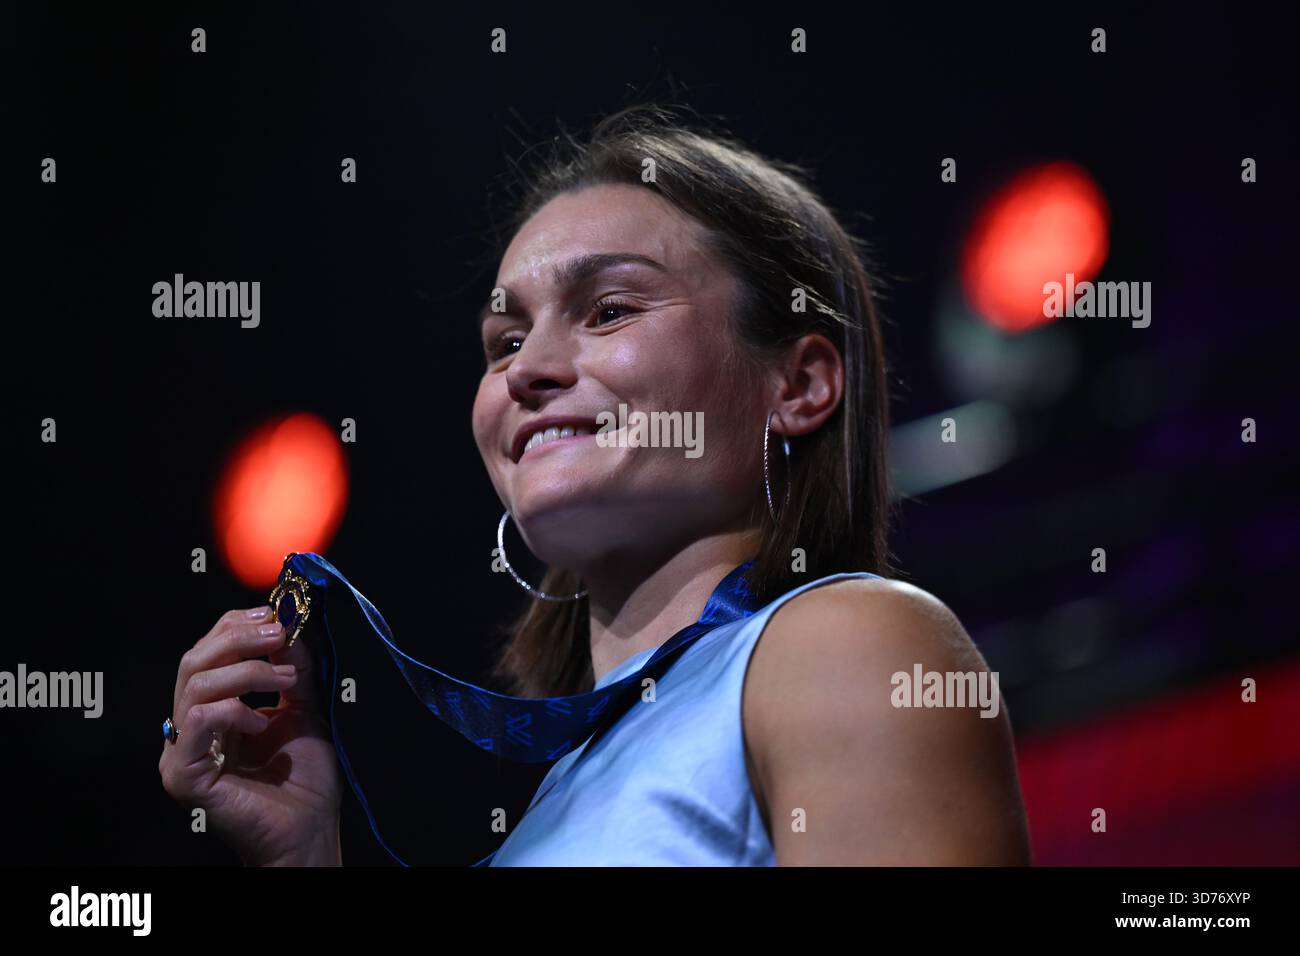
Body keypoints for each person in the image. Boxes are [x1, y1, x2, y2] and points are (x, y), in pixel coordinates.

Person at [159, 105, 1032, 866]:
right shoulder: (555, 797)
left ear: (797, 385)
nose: (526, 370)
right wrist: (306, 854)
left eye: (610, 309)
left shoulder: (847, 643)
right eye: (504, 341)